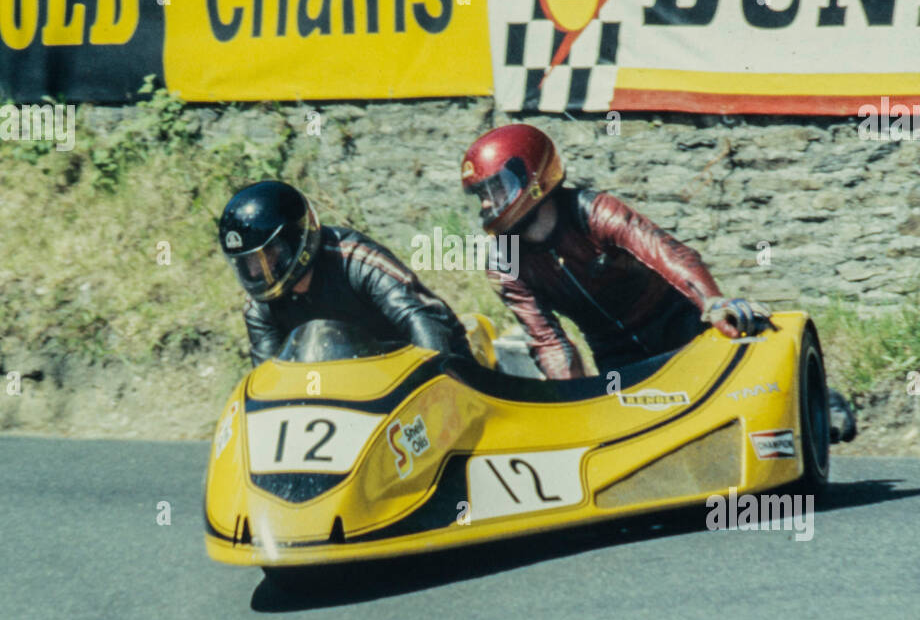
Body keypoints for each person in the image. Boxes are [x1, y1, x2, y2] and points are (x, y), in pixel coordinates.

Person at [461, 124, 856, 441]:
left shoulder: (593, 211)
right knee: (637, 429)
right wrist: (574, 408)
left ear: (533, 179)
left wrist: (713, 303)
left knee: (746, 365)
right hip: (615, 354)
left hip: (677, 320)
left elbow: (665, 252)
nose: (485, 205)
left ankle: (819, 402)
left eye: (494, 191)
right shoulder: (503, 261)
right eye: (480, 196)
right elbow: (547, 340)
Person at [219, 180, 472, 367]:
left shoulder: (356, 260)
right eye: (247, 262)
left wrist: (431, 376)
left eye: (267, 256)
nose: (255, 271)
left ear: (297, 239)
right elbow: (267, 375)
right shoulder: (259, 306)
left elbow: (420, 318)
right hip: (339, 392)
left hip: (417, 368)